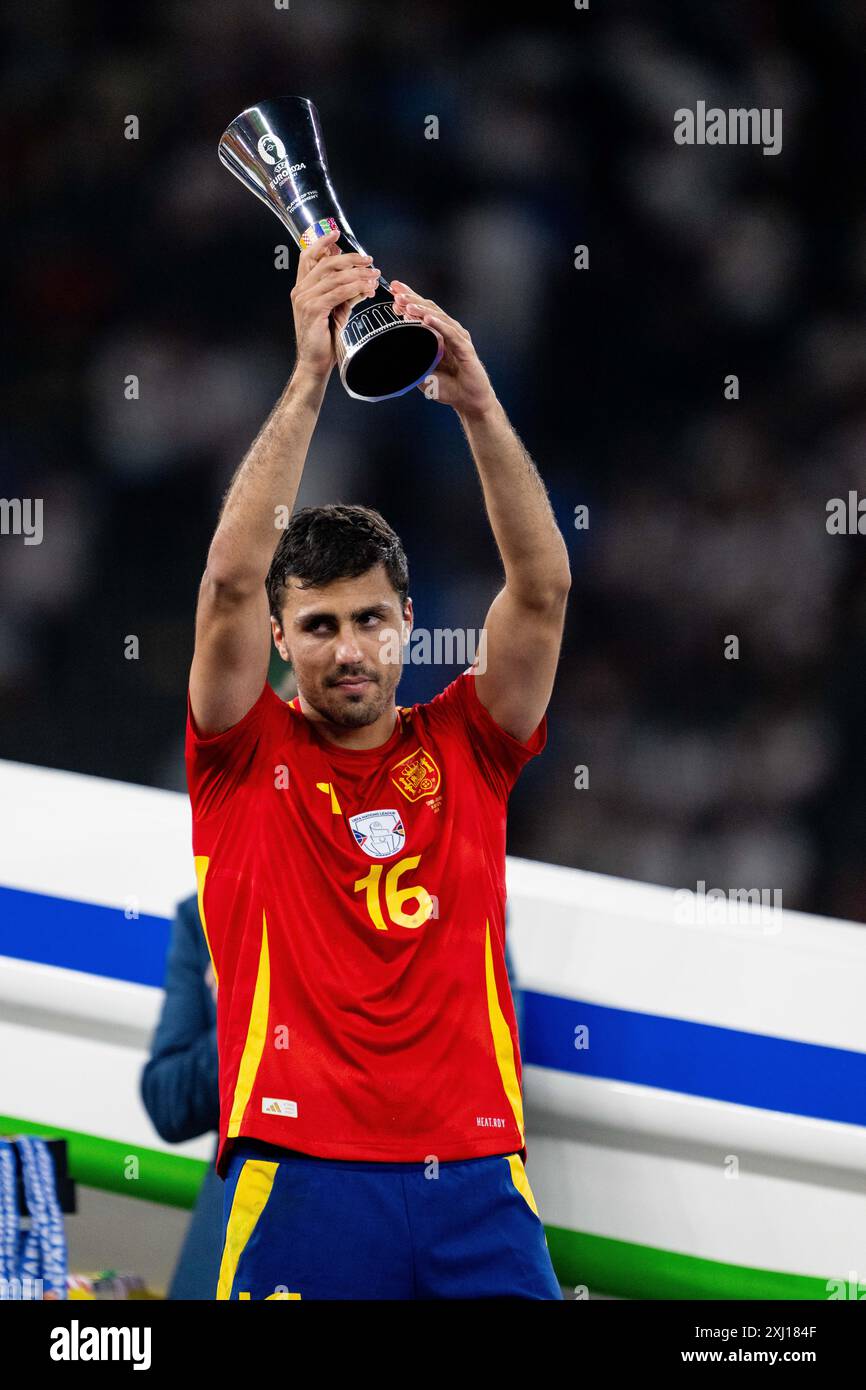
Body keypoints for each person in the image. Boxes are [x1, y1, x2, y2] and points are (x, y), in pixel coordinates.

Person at [185, 227, 570, 1299]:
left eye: (366, 619)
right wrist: (311, 372)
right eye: (315, 626)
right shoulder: (238, 753)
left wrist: (479, 407)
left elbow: (539, 591)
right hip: (303, 1174)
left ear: (406, 621)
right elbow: (225, 584)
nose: (345, 649)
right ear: (278, 637)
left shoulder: (469, 743)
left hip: (478, 1176)